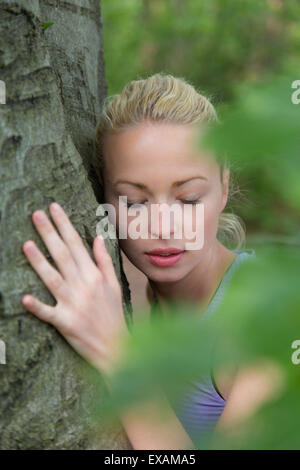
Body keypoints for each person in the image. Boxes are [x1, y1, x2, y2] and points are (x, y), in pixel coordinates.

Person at [21, 73, 276, 450]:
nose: (163, 227)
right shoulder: (143, 297)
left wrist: (116, 350)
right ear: (100, 197)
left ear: (223, 188)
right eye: (133, 202)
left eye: (188, 199)